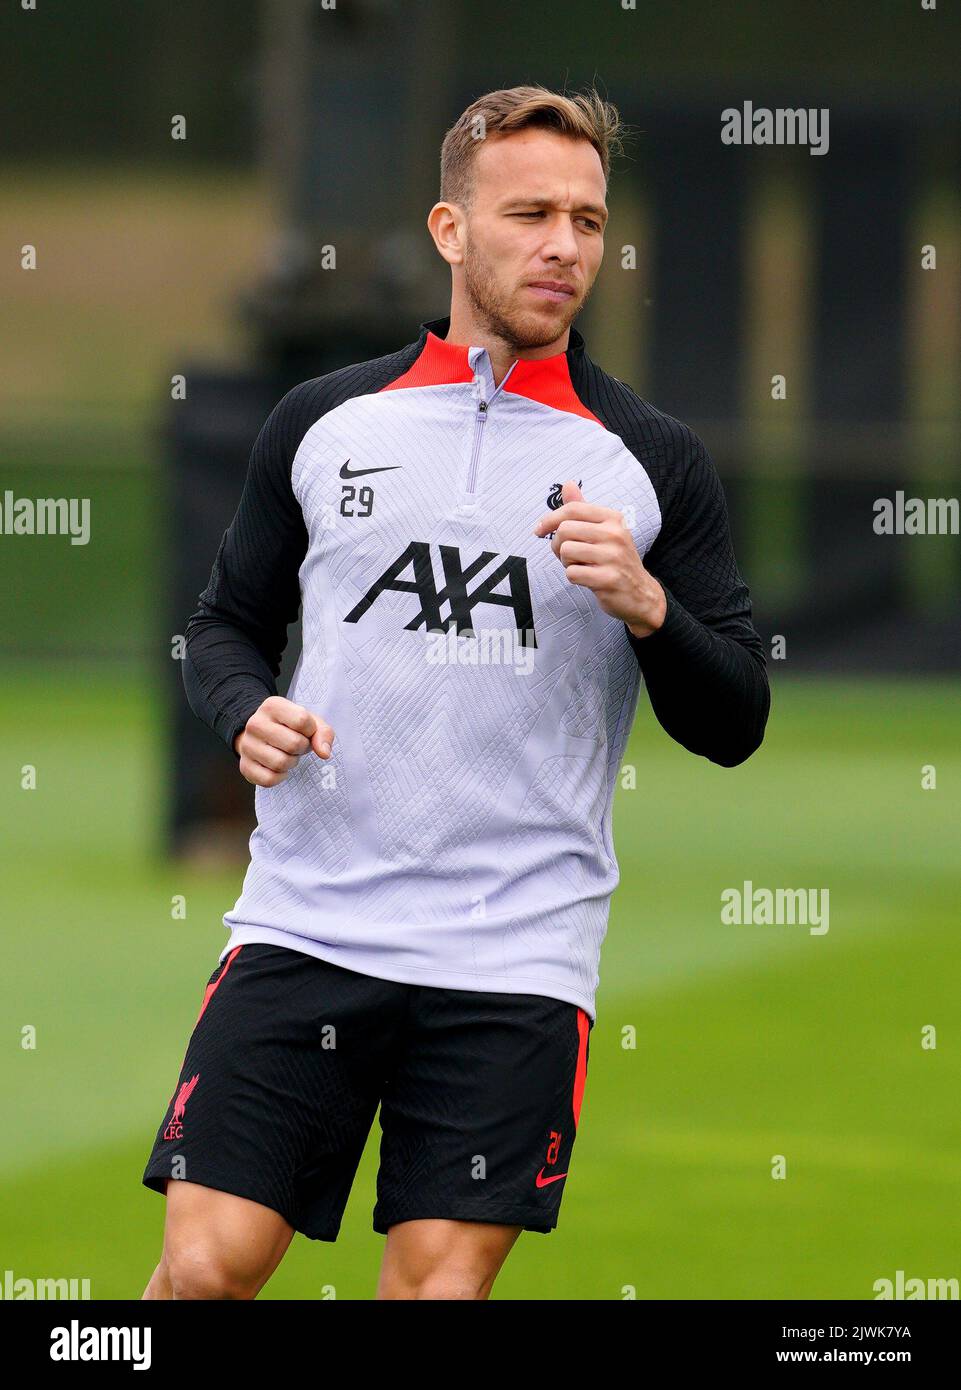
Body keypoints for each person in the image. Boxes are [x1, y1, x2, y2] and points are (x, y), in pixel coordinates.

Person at [142, 83, 770, 1301]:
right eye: (530, 213)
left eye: (587, 221)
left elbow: (735, 717)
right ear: (448, 231)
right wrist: (242, 710)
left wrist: (648, 607)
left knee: (434, 1293)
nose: (563, 246)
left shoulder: (650, 459)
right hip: (310, 924)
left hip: (515, 952)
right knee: (206, 1269)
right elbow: (223, 625)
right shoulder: (324, 421)